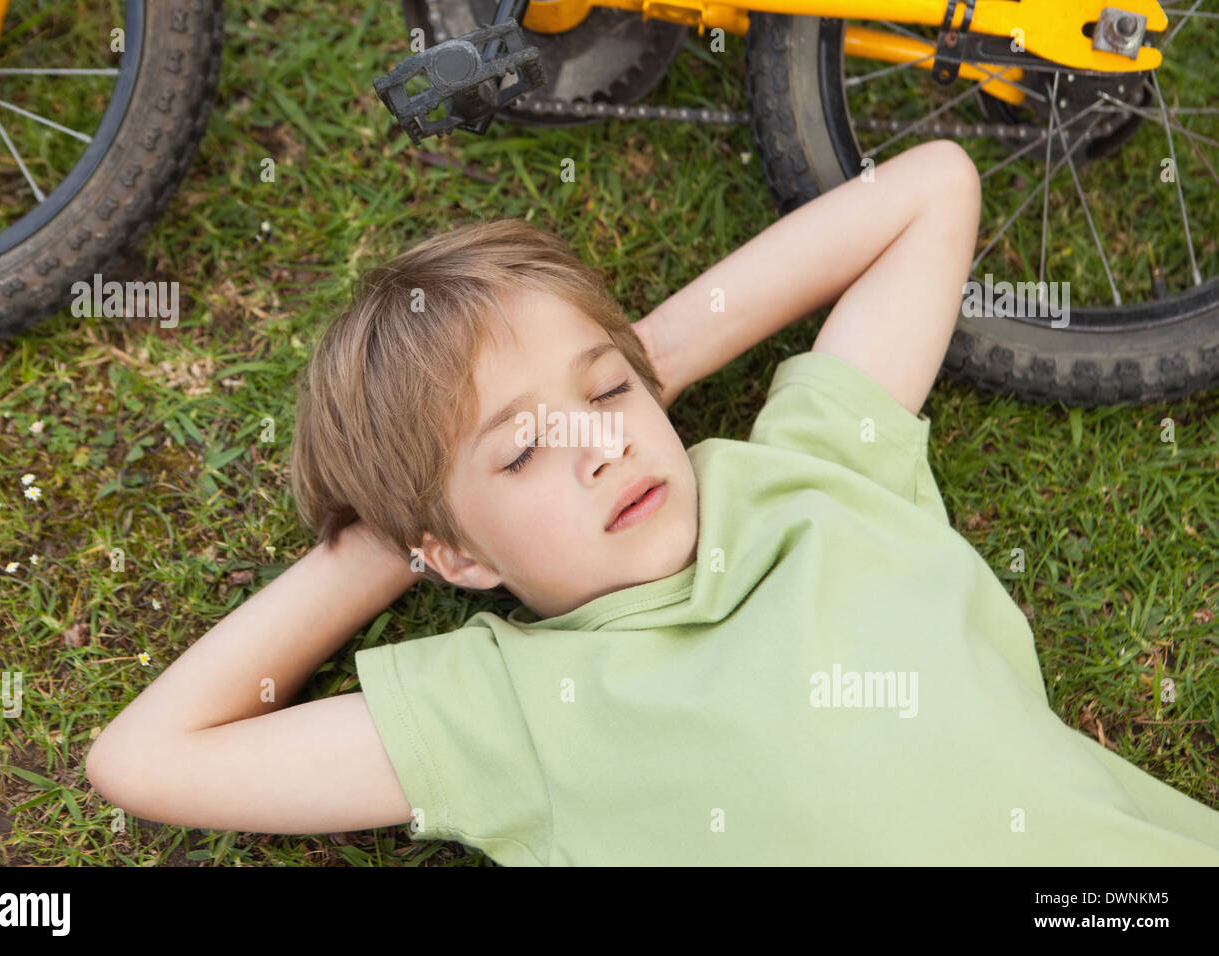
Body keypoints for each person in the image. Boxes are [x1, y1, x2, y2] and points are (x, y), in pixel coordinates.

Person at [84, 139, 1219, 864]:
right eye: (523, 450)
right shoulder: (510, 712)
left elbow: (933, 188)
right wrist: (398, 544)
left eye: (609, 394)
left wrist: (634, 365)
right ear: (457, 549)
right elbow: (145, 756)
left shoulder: (814, 471)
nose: (595, 444)